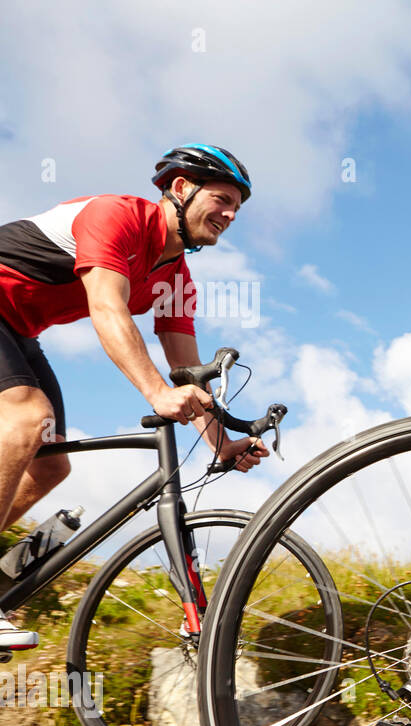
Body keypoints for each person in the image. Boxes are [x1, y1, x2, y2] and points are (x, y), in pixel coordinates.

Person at [0, 143, 269, 652]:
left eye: (238, 206)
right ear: (181, 188)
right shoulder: (116, 216)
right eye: (223, 199)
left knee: (51, 467)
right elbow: (107, 306)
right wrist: (156, 393)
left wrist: (218, 445)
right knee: (26, 418)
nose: (231, 214)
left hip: (17, 328)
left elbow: (187, 370)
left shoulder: (176, 277)